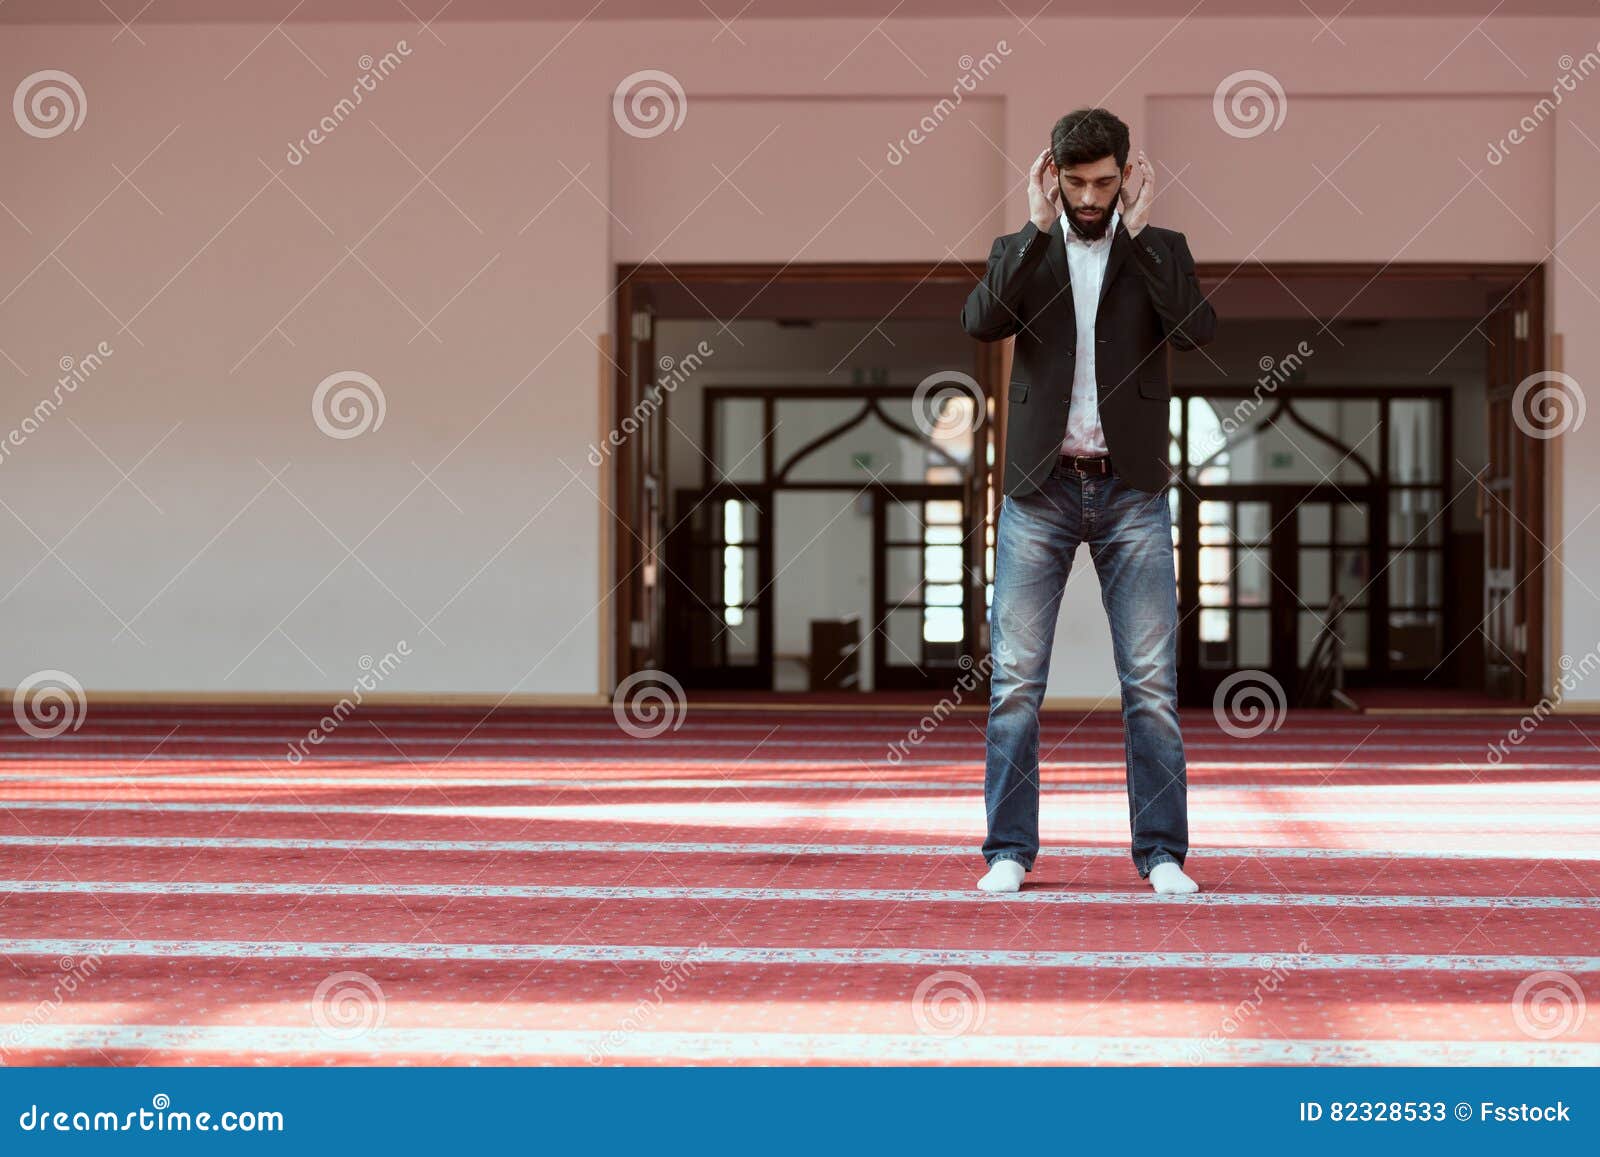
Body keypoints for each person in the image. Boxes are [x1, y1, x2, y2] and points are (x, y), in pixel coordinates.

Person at [959, 107, 1217, 895]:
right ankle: (1008, 849)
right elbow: (980, 321)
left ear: (1127, 174)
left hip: (1130, 487)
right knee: (1015, 682)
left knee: (1150, 682)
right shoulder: (1024, 249)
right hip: (1040, 488)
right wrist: (1036, 228)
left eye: (1105, 182)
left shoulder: (1158, 251)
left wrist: (1137, 240)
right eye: (1076, 183)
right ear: (1054, 177)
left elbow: (1197, 330)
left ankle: (1162, 853)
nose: (1091, 196)